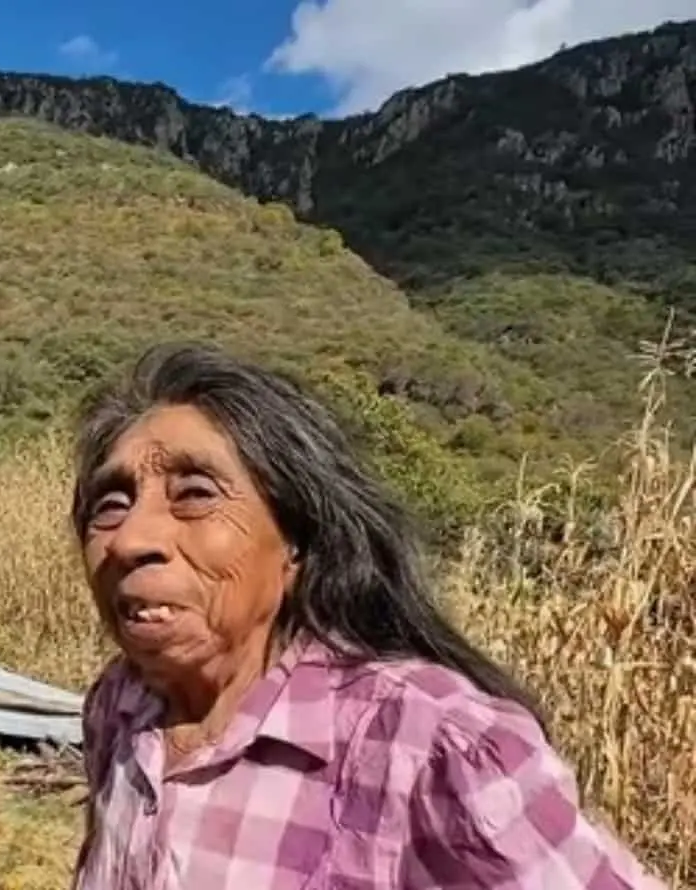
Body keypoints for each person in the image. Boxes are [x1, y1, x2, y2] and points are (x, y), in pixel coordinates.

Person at [67, 343, 665, 890]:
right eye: (110, 505)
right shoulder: (120, 706)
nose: (130, 539)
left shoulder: (430, 743)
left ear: (297, 542)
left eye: (194, 493)